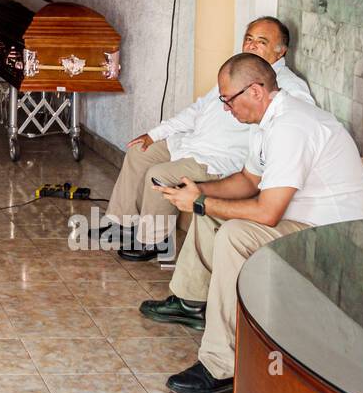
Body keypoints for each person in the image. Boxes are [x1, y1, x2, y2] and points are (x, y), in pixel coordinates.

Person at [144, 53, 363, 393]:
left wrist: (201, 203)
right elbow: (247, 181)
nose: (225, 108)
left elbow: (267, 213)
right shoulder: (266, 124)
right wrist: (198, 192)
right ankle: (192, 301)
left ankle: (223, 365)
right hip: (304, 223)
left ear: (255, 91)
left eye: (228, 100)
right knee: (216, 214)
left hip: (336, 239)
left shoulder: (292, 126)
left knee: (236, 234)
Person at [97, 16, 313, 260]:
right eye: (248, 39)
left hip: (220, 159)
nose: (251, 46)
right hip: (193, 142)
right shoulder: (238, 71)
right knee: (140, 151)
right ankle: (121, 224)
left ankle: (153, 240)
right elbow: (197, 110)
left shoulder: (290, 87)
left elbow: (297, 122)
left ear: (280, 51)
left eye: (261, 42)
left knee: (159, 173)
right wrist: (154, 134)